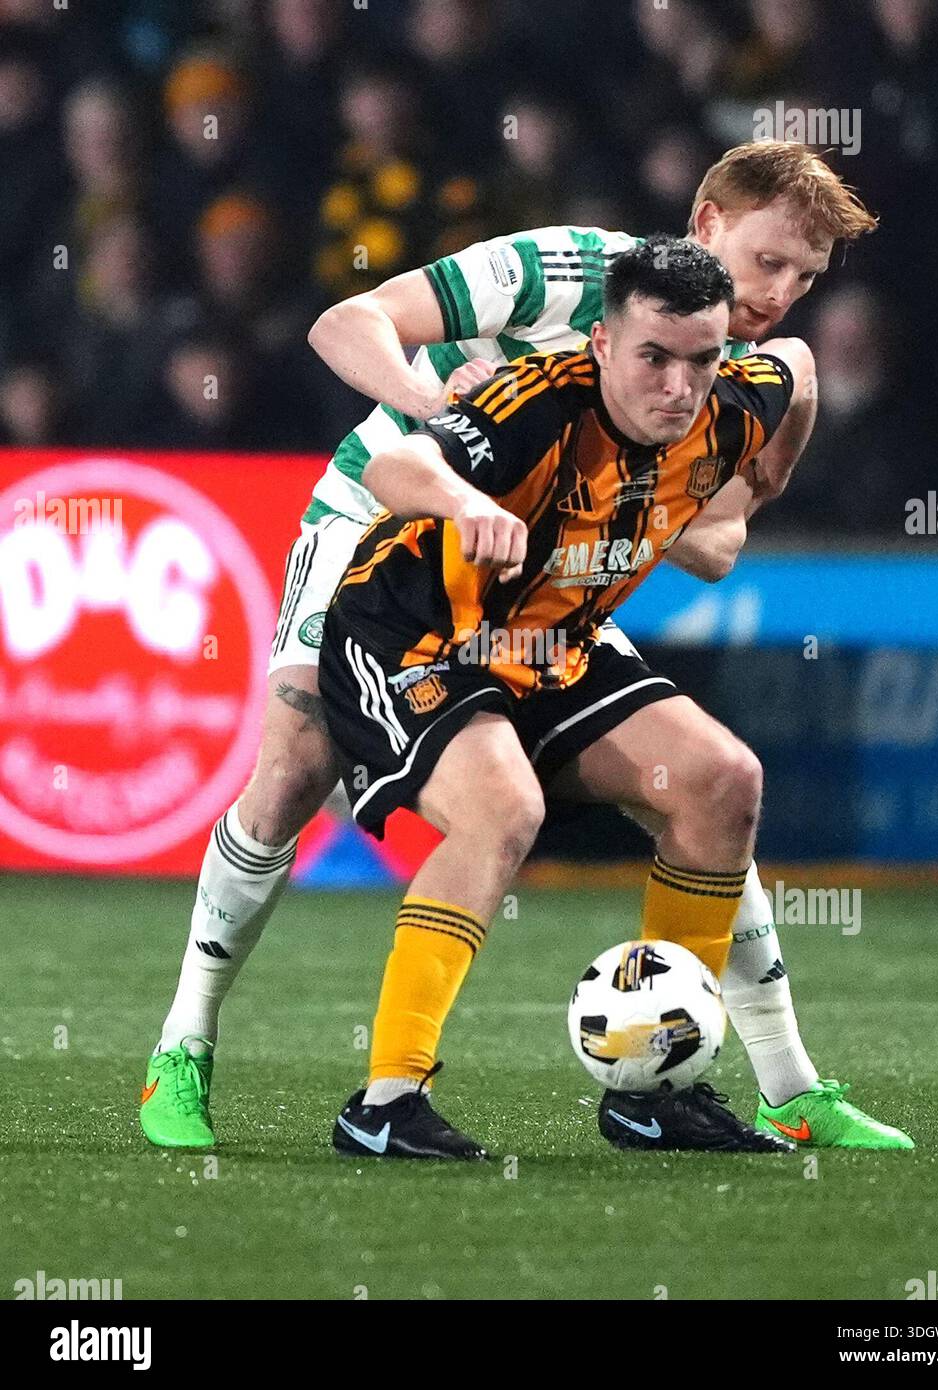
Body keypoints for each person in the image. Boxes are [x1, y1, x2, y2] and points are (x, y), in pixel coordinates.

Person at [140, 141, 912, 1154]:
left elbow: (767, 442)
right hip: (393, 531)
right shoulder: (567, 270)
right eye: (769, 261)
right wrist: (434, 413)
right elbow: (352, 321)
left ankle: (775, 1085)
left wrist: (721, 498)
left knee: (708, 780)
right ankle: (185, 1043)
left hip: (545, 576)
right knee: (291, 766)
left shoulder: (724, 362)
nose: (780, 294)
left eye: (805, 278)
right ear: (708, 222)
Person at [322, 237, 810, 1157]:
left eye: (701, 360)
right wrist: (467, 506)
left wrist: (753, 493)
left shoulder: (736, 402)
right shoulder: (537, 404)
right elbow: (394, 471)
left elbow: (799, 369)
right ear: (599, 347)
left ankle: (659, 1093)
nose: (679, 386)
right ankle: (384, 1101)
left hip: (553, 645)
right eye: (653, 358)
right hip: (413, 638)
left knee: (722, 780)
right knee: (505, 808)